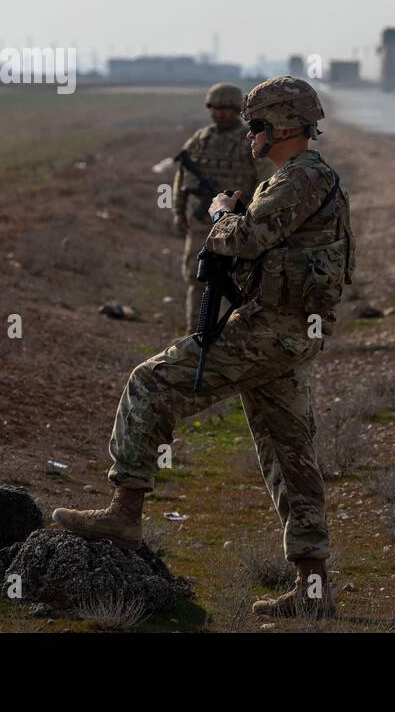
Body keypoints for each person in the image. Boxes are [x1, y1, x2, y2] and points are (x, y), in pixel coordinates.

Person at [53, 76, 355, 620]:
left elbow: (244, 241)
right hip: (283, 333)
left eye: (258, 125)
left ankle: (124, 511)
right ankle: (314, 589)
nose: (250, 135)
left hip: (269, 332)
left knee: (151, 382)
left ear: (285, 126)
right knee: (288, 452)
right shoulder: (298, 177)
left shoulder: (301, 179)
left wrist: (221, 214)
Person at [173, 82, 276, 334]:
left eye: (226, 108)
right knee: (197, 278)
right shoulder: (200, 140)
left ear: (236, 109)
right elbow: (182, 176)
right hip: (201, 223)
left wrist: (257, 214)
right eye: (215, 108)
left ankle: (237, 336)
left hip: (238, 224)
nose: (220, 114)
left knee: (241, 283)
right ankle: (195, 335)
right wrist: (178, 210)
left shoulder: (249, 140)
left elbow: (266, 179)